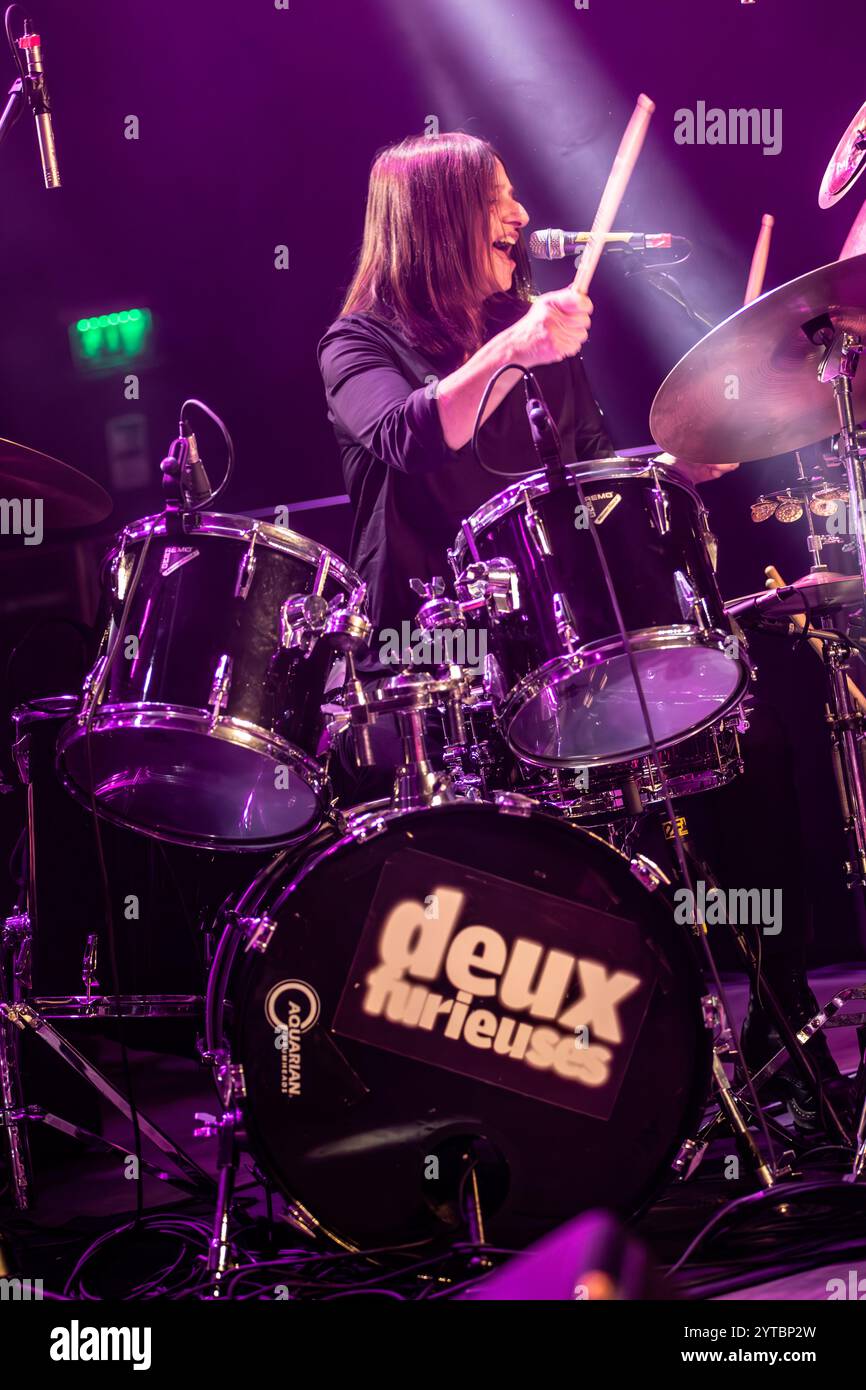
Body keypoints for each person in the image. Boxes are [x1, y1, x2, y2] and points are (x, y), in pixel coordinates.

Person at [318, 131, 850, 1136]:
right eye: (497, 201)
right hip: (444, 664)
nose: (520, 219)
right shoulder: (356, 344)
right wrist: (514, 348)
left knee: (752, 746)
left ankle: (785, 1053)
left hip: (571, 645)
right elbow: (408, 435)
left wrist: (675, 466)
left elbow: (594, 480)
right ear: (437, 223)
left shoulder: (536, 333)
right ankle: (575, 1099)